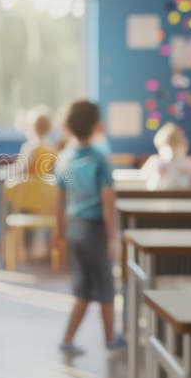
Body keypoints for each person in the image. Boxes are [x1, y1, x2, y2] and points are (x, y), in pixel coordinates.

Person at [53, 100, 125, 356]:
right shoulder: (100, 161)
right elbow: (107, 202)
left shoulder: (64, 160)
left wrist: (58, 231)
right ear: (97, 126)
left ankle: (67, 338)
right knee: (106, 286)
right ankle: (110, 338)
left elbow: (61, 199)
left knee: (82, 288)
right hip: (95, 230)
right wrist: (113, 237)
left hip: (75, 229)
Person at [141, 122, 191, 190]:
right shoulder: (156, 161)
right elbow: (143, 177)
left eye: (175, 146)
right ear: (159, 147)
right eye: (167, 146)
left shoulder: (189, 162)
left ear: (184, 146)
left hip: (184, 197)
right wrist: (156, 174)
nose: (172, 151)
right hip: (159, 197)